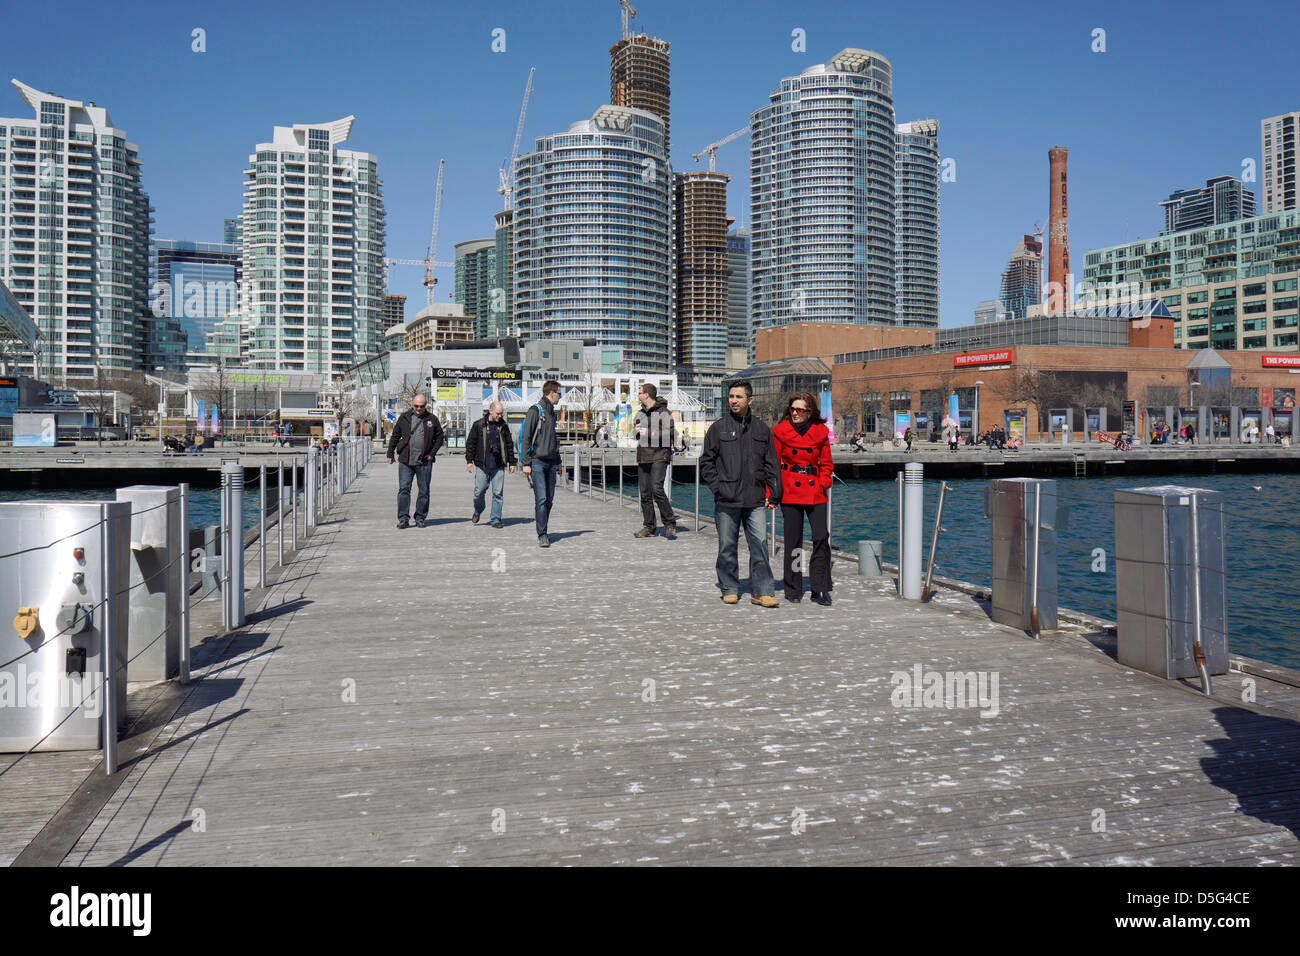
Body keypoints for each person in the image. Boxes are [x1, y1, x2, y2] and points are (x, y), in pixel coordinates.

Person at [700, 382, 783, 607]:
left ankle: (762, 591)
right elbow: (706, 462)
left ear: (750, 400)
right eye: (731, 397)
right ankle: (729, 587)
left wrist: (775, 492)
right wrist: (718, 488)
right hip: (727, 498)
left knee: (759, 545)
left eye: (738, 397)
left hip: (754, 498)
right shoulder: (718, 428)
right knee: (727, 545)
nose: (733, 401)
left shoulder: (761, 430)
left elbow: (771, 463)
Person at [773, 393, 834, 606]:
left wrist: (823, 482)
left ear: (810, 412)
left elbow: (826, 463)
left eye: (800, 410)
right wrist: (772, 493)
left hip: (815, 490)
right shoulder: (780, 432)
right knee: (793, 541)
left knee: (820, 538)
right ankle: (793, 587)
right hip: (790, 489)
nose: (796, 413)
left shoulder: (820, 433)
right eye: (793, 409)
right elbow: (773, 465)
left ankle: (820, 587)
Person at [386, 394, 444, 529]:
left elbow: (440, 437)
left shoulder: (432, 419)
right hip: (406, 460)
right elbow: (395, 436)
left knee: (424, 491)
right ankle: (403, 518)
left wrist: (432, 453)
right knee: (404, 490)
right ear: (413, 405)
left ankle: (420, 517)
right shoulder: (405, 417)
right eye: (416, 406)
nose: (419, 408)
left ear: (426, 405)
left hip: (424, 461)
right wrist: (390, 454)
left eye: (422, 406)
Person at [521, 380, 564, 547]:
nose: (560, 397)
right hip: (537, 461)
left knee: (550, 499)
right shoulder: (535, 410)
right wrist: (526, 462)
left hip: (552, 462)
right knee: (541, 498)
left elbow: (553, 440)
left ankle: (543, 527)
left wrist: (559, 461)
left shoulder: (552, 412)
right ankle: (542, 533)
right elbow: (526, 438)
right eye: (559, 393)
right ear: (552, 392)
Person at [632, 383, 677, 540]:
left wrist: (649, 432)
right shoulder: (639, 413)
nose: (638, 395)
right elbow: (635, 434)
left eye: (639, 392)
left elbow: (670, 433)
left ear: (646, 395)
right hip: (643, 455)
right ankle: (649, 527)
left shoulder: (663, 412)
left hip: (659, 455)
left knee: (657, 488)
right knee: (644, 493)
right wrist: (636, 432)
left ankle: (670, 524)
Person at [465, 401, 517, 529]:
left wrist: (512, 462)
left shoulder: (503, 426)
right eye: (498, 413)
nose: (500, 416)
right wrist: (469, 461)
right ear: (491, 411)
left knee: (498, 493)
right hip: (482, 464)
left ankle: (495, 519)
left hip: (498, 465)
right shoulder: (479, 425)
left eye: (501, 413)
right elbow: (471, 443)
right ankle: (478, 510)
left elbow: (509, 444)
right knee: (479, 492)